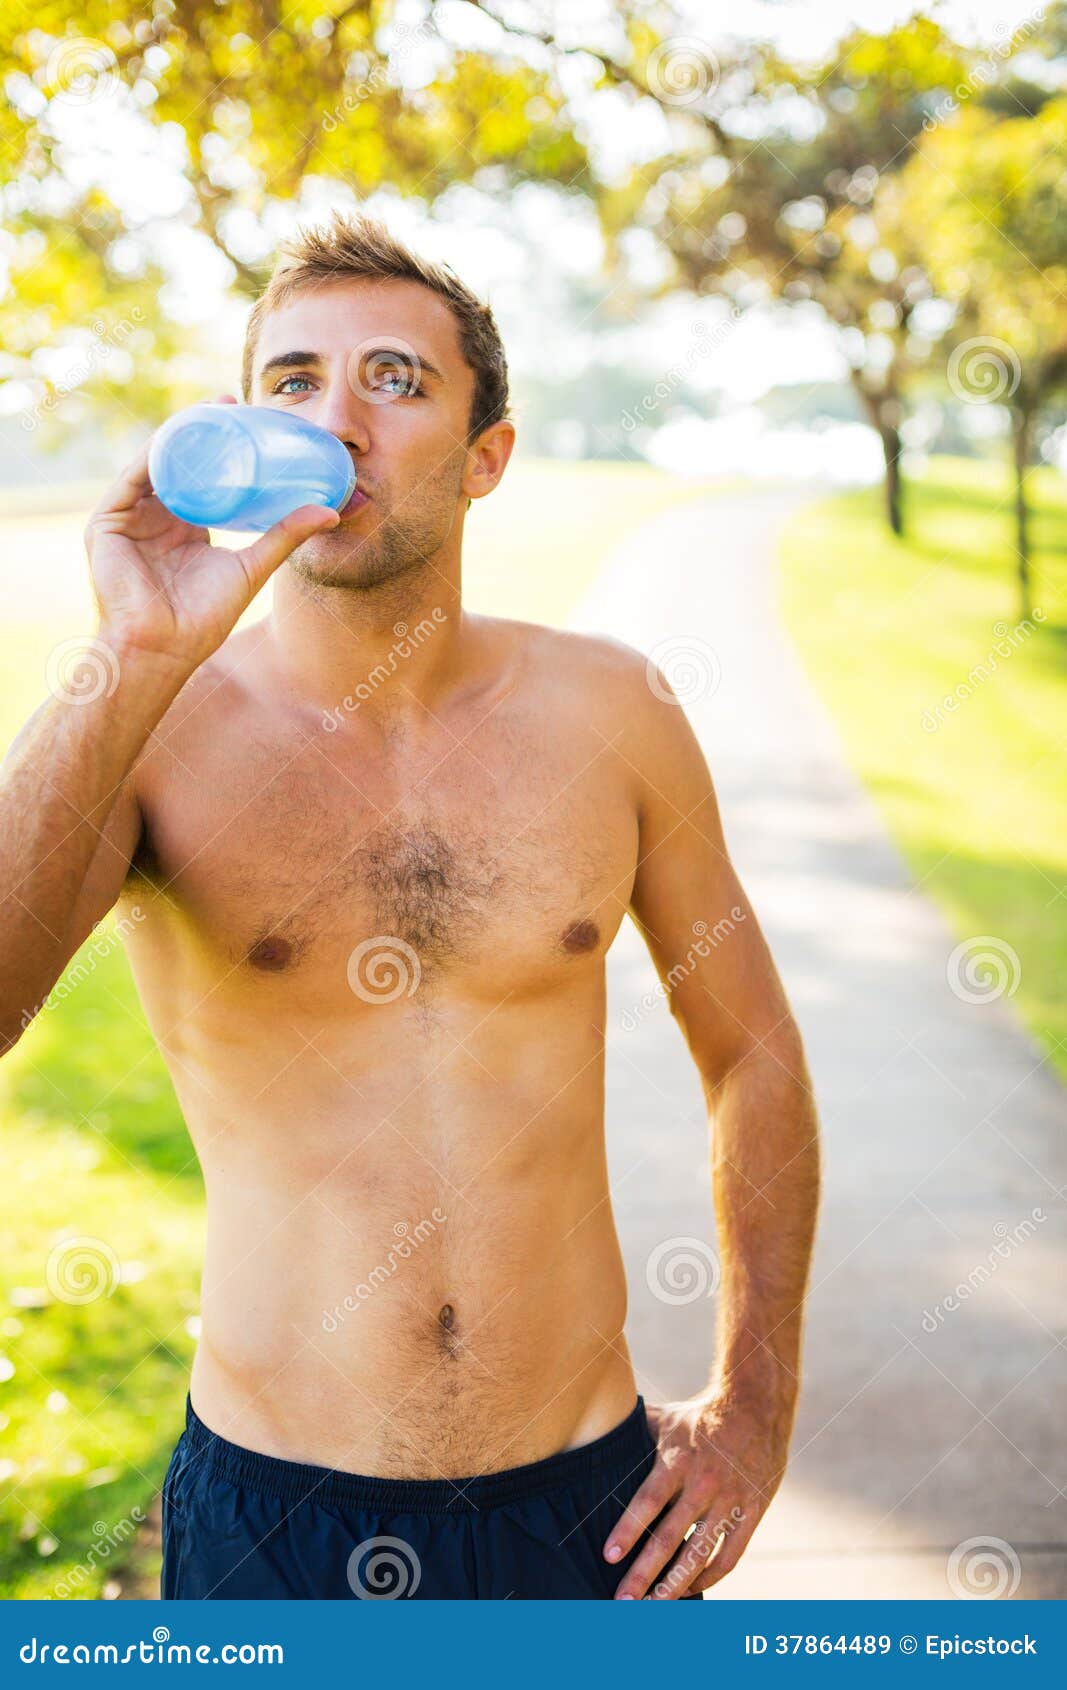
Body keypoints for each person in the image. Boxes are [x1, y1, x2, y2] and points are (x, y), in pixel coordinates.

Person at [0, 213, 820, 1601]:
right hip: (275, 1518)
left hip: (588, 1513)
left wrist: (753, 1412)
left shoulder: (614, 710)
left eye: (393, 379)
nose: (336, 421)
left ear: (485, 455)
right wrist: (128, 652)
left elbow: (753, 1051)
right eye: (292, 381)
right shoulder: (153, 723)